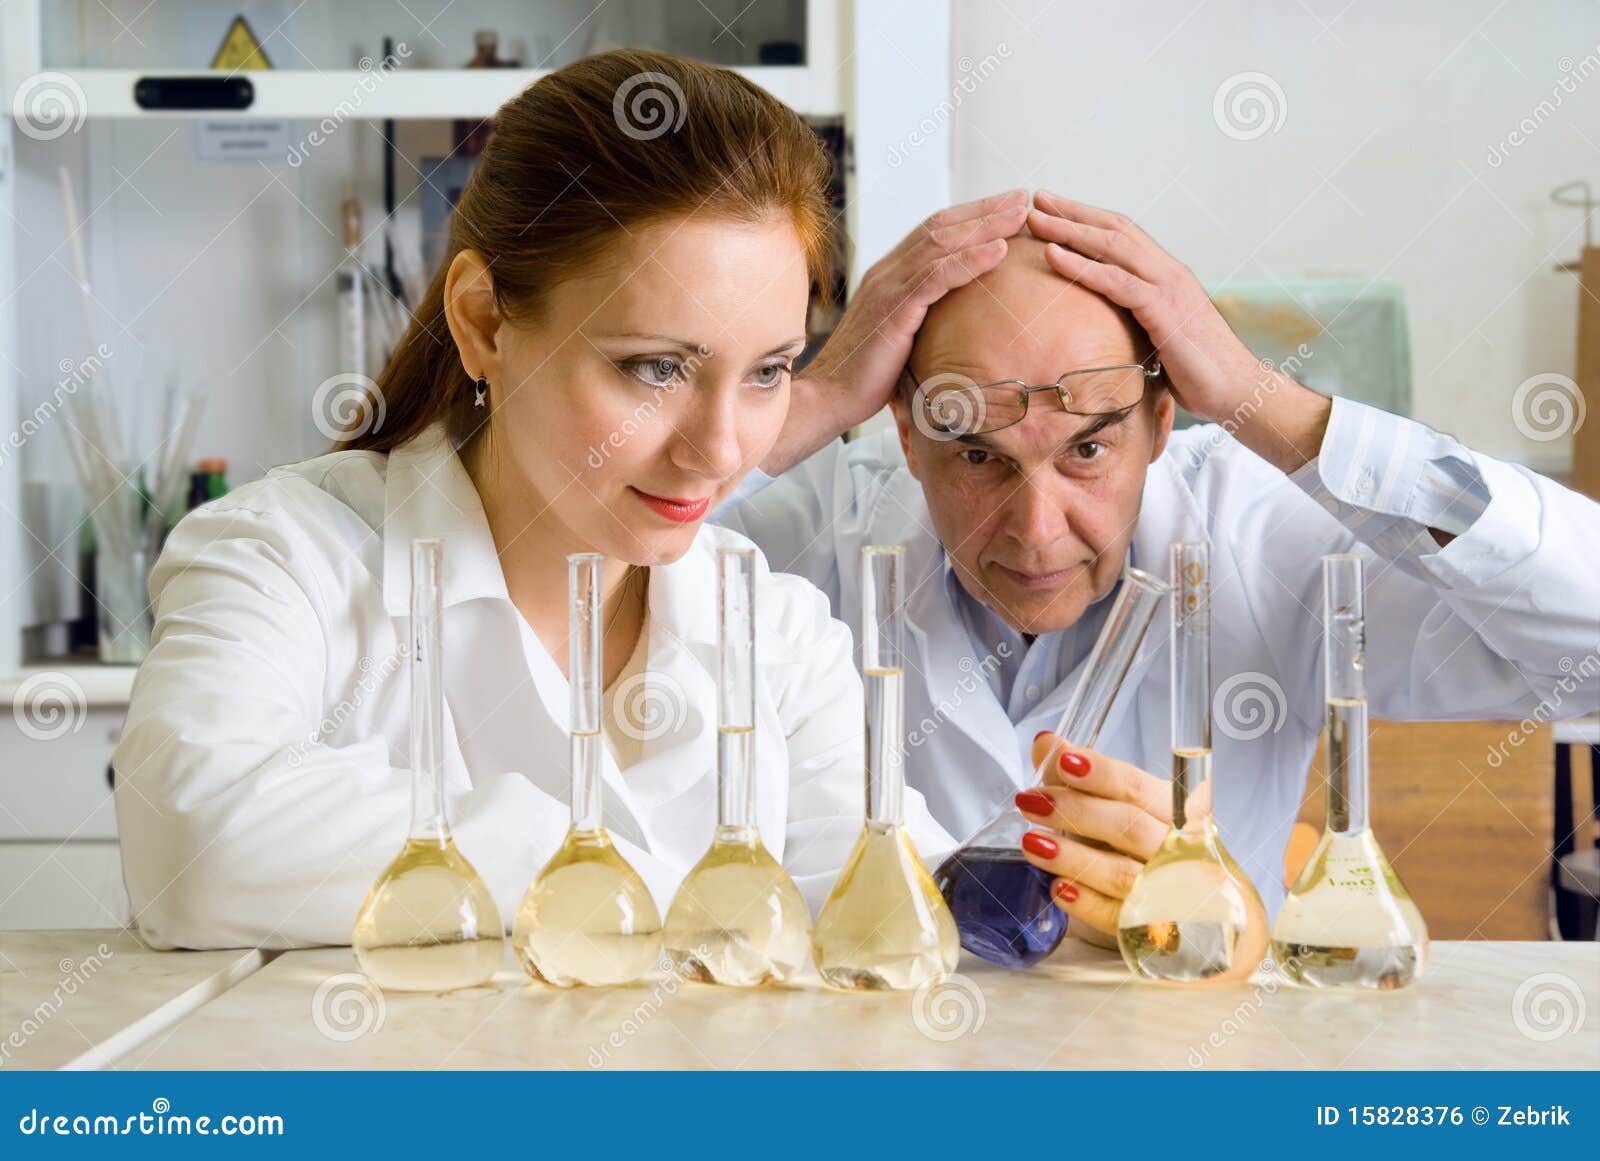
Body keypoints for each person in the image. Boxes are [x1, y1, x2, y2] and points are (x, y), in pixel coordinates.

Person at [112, 50, 959, 951]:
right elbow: (194, 844)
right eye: (656, 368)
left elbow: (896, 898)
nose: (720, 452)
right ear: (483, 321)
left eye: (769, 372)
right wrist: (621, 877)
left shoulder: (771, 629)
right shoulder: (282, 560)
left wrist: (1046, 881)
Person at [716, 194, 1600, 941]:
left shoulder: (1260, 537)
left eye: (1088, 449)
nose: (1036, 531)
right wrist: (819, 398)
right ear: (908, 436)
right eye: (978, 457)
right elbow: (627, 583)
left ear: (1163, 421)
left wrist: (1260, 399)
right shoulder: (819, 531)